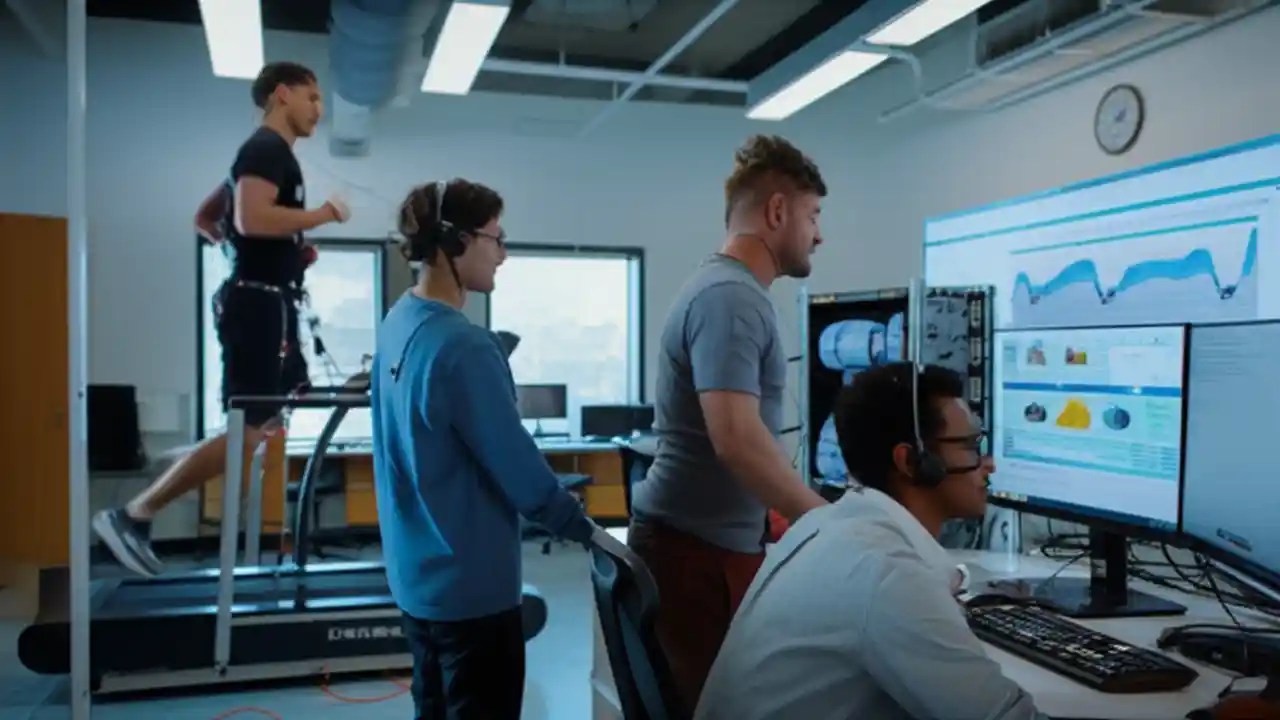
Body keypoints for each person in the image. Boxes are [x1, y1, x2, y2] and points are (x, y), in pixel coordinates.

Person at [92, 61, 350, 577]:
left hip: (267, 298)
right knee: (250, 430)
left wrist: (285, 252)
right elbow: (251, 218)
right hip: (256, 306)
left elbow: (209, 219)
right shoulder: (265, 150)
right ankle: (132, 514)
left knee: (266, 423)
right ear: (282, 95)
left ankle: (174, 477)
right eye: (312, 98)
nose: (319, 110)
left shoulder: (260, 158)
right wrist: (320, 215)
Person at [694, 363, 1047, 720]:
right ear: (911, 460)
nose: (989, 464)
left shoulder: (829, 526)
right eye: (971, 446)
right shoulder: (886, 571)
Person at [372, 178, 594, 719]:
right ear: (457, 242)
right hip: (474, 595)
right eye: (496, 239)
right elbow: (520, 471)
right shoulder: (465, 346)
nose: (504, 254)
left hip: (416, 583)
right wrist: (587, 530)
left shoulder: (398, 322)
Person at [627, 133, 831, 714]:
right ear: (776, 211)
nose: (819, 233)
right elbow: (736, 438)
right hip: (697, 561)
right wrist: (830, 525)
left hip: (705, 544)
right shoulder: (731, 298)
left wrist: (772, 511)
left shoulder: (725, 290)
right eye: (813, 215)